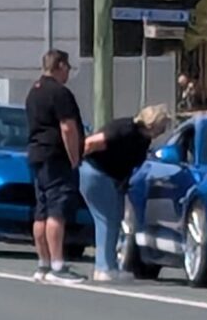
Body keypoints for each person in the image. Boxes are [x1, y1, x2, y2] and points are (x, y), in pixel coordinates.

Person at [79, 104, 172, 283]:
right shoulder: (124, 129)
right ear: (152, 124)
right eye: (163, 126)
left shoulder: (142, 139)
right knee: (106, 219)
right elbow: (90, 143)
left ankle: (109, 265)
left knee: (114, 218)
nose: (163, 130)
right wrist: (74, 163)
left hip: (113, 178)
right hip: (96, 172)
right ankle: (104, 268)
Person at [24, 48, 86, 285]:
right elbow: (67, 127)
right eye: (67, 67)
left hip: (37, 155)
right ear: (60, 66)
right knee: (56, 210)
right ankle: (58, 266)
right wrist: (74, 158)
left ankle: (43, 263)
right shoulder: (59, 93)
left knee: (42, 210)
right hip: (55, 156)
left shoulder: (34, 91)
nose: (69, 71)